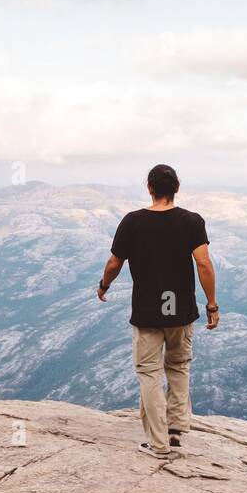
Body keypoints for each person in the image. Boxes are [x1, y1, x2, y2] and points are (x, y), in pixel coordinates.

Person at [96, 164, 219, 459]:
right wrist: (211, 304)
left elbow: (115, 263)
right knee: (178, 367)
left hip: (148, 311)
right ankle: (176, 430)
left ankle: (159, 444)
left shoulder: (132, 222)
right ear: (176, 188)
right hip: (181, 310)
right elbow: (204, 264)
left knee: (149, 373)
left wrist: (103, 286)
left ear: (149, 188)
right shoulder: (192, 221)